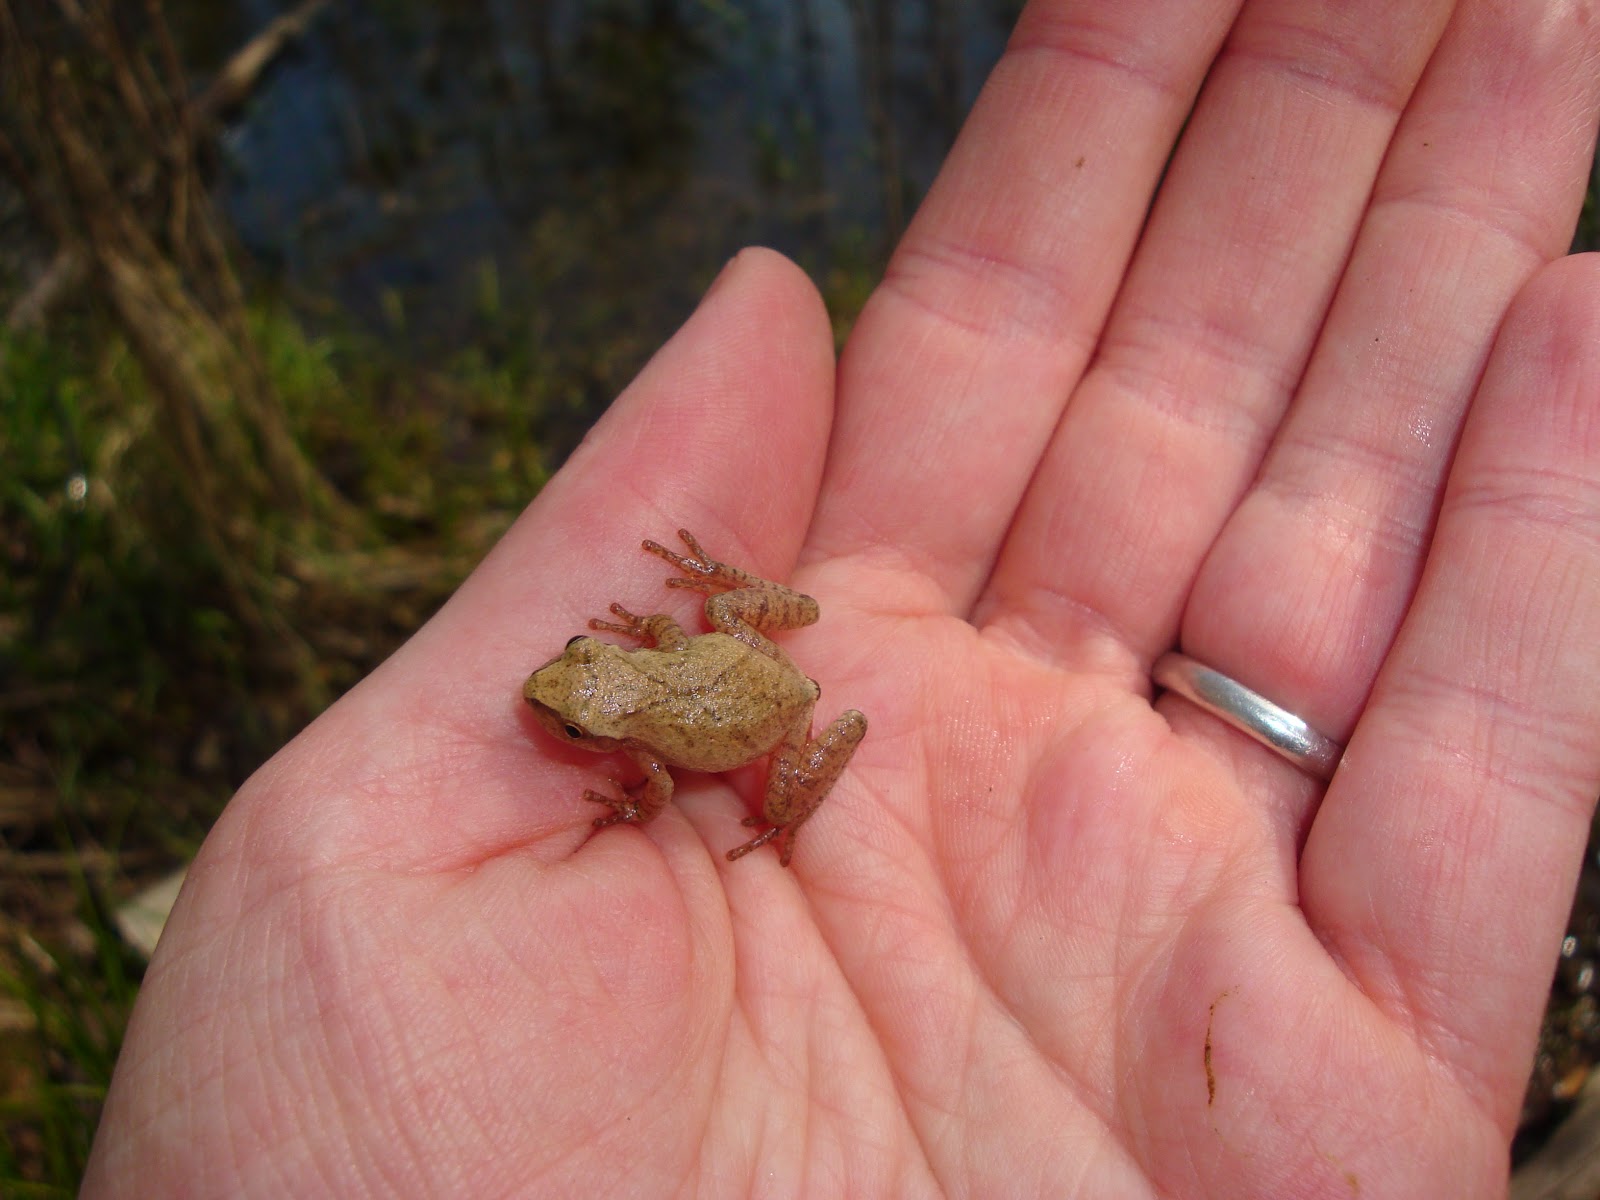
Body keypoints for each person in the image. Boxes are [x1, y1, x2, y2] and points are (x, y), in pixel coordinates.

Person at [82, 0, 1600, 1195]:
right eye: (568, 695)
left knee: (755, 682)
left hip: (766, 713)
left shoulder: (656, 749)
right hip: (736, 679)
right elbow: (669, 697)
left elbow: (668, 746)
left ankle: (780, 790)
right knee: (738, 636)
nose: (556, 699)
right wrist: (666, 664)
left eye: (566, 691)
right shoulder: (650, 710)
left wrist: (677, 780)